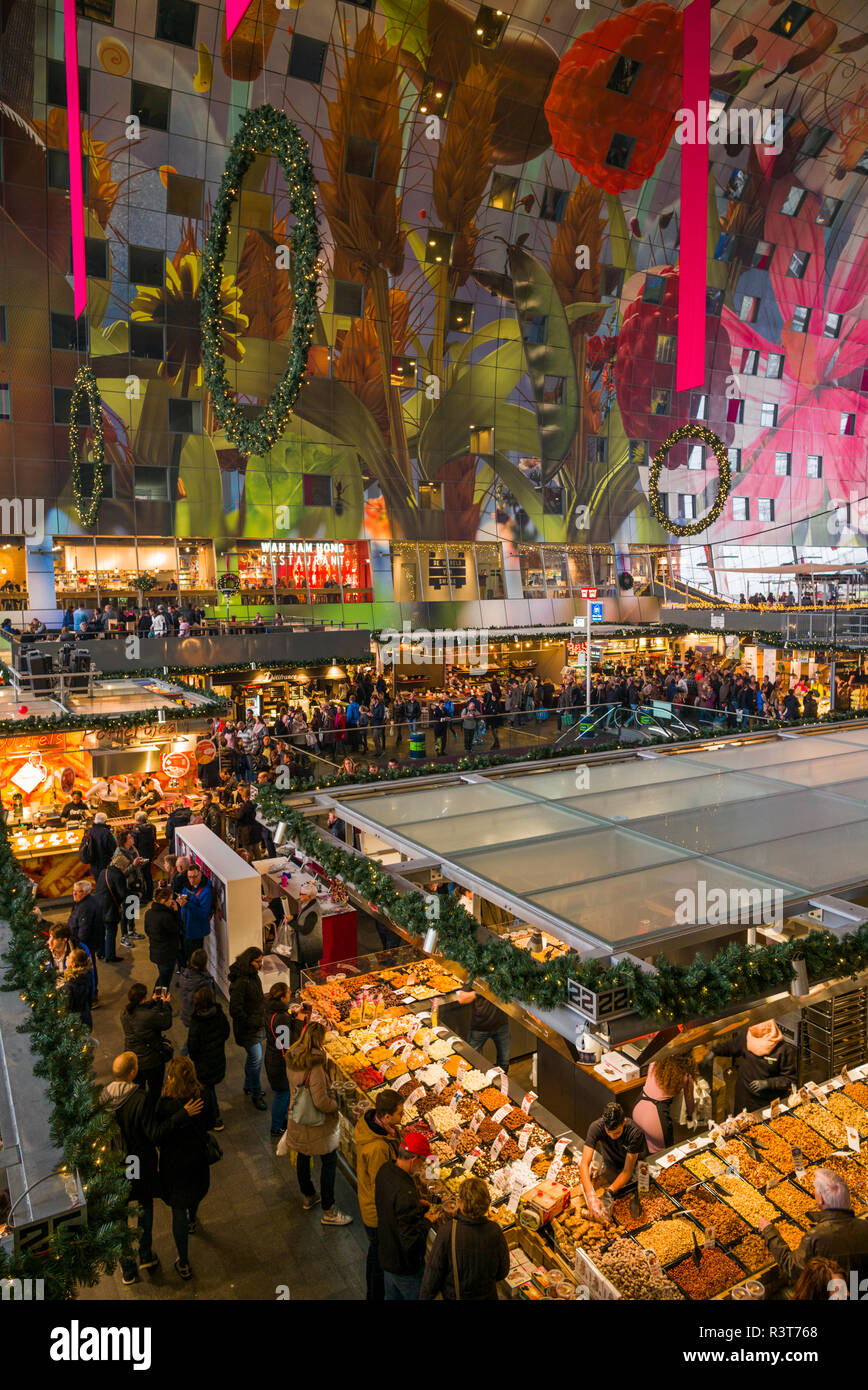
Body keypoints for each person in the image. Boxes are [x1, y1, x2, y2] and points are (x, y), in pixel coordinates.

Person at [101, 1051, 203, 1284]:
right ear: (133, 1072)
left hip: (114, 1165)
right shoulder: (140, 1098)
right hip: (139, 1162)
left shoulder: (103, 1098)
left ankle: (127, 1268)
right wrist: (181, 1115)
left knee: (120, 1215)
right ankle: (145, 1254)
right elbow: (155, 1134)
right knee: (144, 1205)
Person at [283, 1019, 352, 1225]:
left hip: (298, 1116)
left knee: (303, 1156)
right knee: (329, 1162)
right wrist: (336, 1106)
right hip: (317, 1125)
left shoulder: (293, 1056)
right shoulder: (315, 1067)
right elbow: (320, 1101)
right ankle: (329, 1210)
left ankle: (308, 1195)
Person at [155, 1056, 216, 1280]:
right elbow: (211, 1122)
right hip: (197, 1158)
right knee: (198, 1190)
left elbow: (159, 1134)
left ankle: (184, 1260)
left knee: (177, 1207)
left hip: (174, 1163)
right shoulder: (203, 1096)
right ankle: (193, 1219)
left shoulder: (165, 1104)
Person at [759, 1170, 868, 1282]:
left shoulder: (817, 1236)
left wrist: (769, 1231)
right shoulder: (865, 1226)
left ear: (820, 1199)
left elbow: (792, 1267)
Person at [420, 1175, 509, 1301]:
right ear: (487, 1204)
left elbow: (433, 1275)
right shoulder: (495, 1230)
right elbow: (503, 1271)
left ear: (461, 1205)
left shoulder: (448, 1232)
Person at [355, 1088, 404, 1300]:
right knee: (377, 1259)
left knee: (376, 1255)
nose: (403, 1116)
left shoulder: (377, 1127)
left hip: (372, 1207)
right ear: (386, 1116)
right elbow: (381, 1187)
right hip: (376, 1214)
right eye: (400, 1113)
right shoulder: (377, 1148)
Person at [375, 1128, 432, 1299]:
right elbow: (412, 1243)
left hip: (386, 1253)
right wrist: (427, 1221)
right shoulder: (405, 1192)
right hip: (404, 1267)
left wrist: (415, 1206)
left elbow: (392, 1209)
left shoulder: (385, 1170)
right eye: (423, 1162)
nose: (423, 1167)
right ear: (414, 1160)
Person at [701, 1020, 798, 1116]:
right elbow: (732, 1046)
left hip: (766, 1103)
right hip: (743, 1096)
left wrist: (768, 1083)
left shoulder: (783, 1050)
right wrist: (714, 1052)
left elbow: (790, 1079)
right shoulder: (747, 1036)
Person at [579, 1101, 645, 1219]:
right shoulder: (596, 1127)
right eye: (609, 1133)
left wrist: (609, 1191)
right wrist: (590, 1196)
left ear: (623, 1122)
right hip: (611, 1165)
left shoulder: (635, 1133)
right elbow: (584, 1164)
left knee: (638, 1209)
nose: (613, 1136)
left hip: (637, 1168)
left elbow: (627, 1171)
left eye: (617, 1132)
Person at [632, 1052, 696, 1153]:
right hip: (656, 1118)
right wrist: (689, 1114)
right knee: (665, 1157)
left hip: (638, 1107)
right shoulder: (685, 1075)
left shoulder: (656, 1061)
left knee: (640, 1150)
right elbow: (689, 1102)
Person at [228, 946, 267, 1110]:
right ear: (249, 961)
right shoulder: (242, 982)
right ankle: (256, 1094)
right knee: (256, 1060)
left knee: (253, 1059)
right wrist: (252, 1022)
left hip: (255, 1025)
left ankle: (248, 1085)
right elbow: (235, 1010)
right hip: (249, 1029)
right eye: (258, 962)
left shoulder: (252, 975)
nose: (261, 964)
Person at [186, 986, 230, 1132]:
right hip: (218, 1059)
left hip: (203, 1064)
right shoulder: (219, 1014)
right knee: (209, 1088)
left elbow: (192, 1046)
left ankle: (215, 1118)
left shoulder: (196, 1021)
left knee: (208, 1090)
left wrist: (195, 1058)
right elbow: (226, 1032)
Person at [121, 982, 173, 1097]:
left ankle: (141, 1110)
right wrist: (166, 1004)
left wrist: (152, 1001)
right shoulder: (148, 1016)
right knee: (155, 1090)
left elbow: (140, 1010)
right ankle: (153, 1110)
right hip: (151, 1060)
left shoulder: (125, 1013)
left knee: (139, 1090)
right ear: (143, 998)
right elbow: (166, 1023)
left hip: (134, 1059)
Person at [264, 981, 295, 1137]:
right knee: (282, 1094)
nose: (291, 994)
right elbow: (285, 1043)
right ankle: (276, 1127)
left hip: (271, 1057)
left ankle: (281, 1120)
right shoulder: (281, 1018)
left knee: (282, 1093)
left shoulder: (271, 1010)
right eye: (289, 992)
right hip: (278, 1063)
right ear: (282, 997)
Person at [459, 987, 510, 1073]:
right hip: (480, 1026)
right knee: (469, 1060)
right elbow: (462, 999)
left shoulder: (504, 975)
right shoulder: (476, 974)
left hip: (502, 1025)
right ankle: (470, 1083)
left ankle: (500, 1084)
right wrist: (481, 991)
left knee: (504, 1062)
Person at [144, 883, 182, 992]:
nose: (172, 901)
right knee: (165, 981)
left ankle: (156, 999)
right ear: (162, 900)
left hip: (156, 952)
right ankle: (161, 1003)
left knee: (162, 977)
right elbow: (176, 929)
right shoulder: (165, 916)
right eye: (170, 899)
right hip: (167, 954)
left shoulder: (148, 913)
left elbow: (147, 931)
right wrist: (176, 912)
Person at [67, 878, 101, 1002]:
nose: (74, 894)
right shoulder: (83, 903)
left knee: (88, 969)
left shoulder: (85, 907)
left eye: (78, 892)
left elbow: (84, 931)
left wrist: (78, 947)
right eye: (73, 891)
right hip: (87, 942)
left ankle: (92, 996)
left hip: (85, 945)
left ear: (87, 892)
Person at [96, 849, 130, 963]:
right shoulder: (118, 875)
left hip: (99, 906)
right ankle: (110, 956)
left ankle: (100, 952)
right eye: (125, 866)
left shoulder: (103, 872)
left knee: (102, 931)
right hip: (110, 908)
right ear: (121, 866)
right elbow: (123, 893)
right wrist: (135, 894)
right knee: (111, 931)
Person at [177, 863, 213, 959]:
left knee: (193, 959)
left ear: (200, 875)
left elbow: (204, 914)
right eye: (189, 877)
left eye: (194, 877)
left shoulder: (206, 891)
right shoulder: (188, 886)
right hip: (185, 928)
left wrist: (187, 904)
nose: (192, 880)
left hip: (196, 932)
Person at [178, 948, 216, 1032]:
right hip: (200, 1018)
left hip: (187, 1014)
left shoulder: (184, 974)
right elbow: (208, 1002)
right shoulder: (204, 982)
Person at [59, 948, 94, 1030]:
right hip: (86, 1018)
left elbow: (66, 1008)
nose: (66, 957)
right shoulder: (87, 975)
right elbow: (90, 997)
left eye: (69, 957)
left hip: (74, 1024)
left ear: (73, 964)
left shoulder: (69, 986)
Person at [132, 810, 157, 904]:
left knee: (140, 876)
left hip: (140, 856)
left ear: (137, 819)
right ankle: (150, 894)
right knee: (148, 875)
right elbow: (155, 839)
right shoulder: (152, 827)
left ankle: (143, 896)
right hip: (150, 854)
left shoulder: (136, 830)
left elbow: (134, 845)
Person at [85, 811, 117, 877]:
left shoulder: (89, 831)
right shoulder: (106, 833)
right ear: (105, 821)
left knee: (99, 884)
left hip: (93, 865)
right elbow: (114, 849)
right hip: (105, 865)